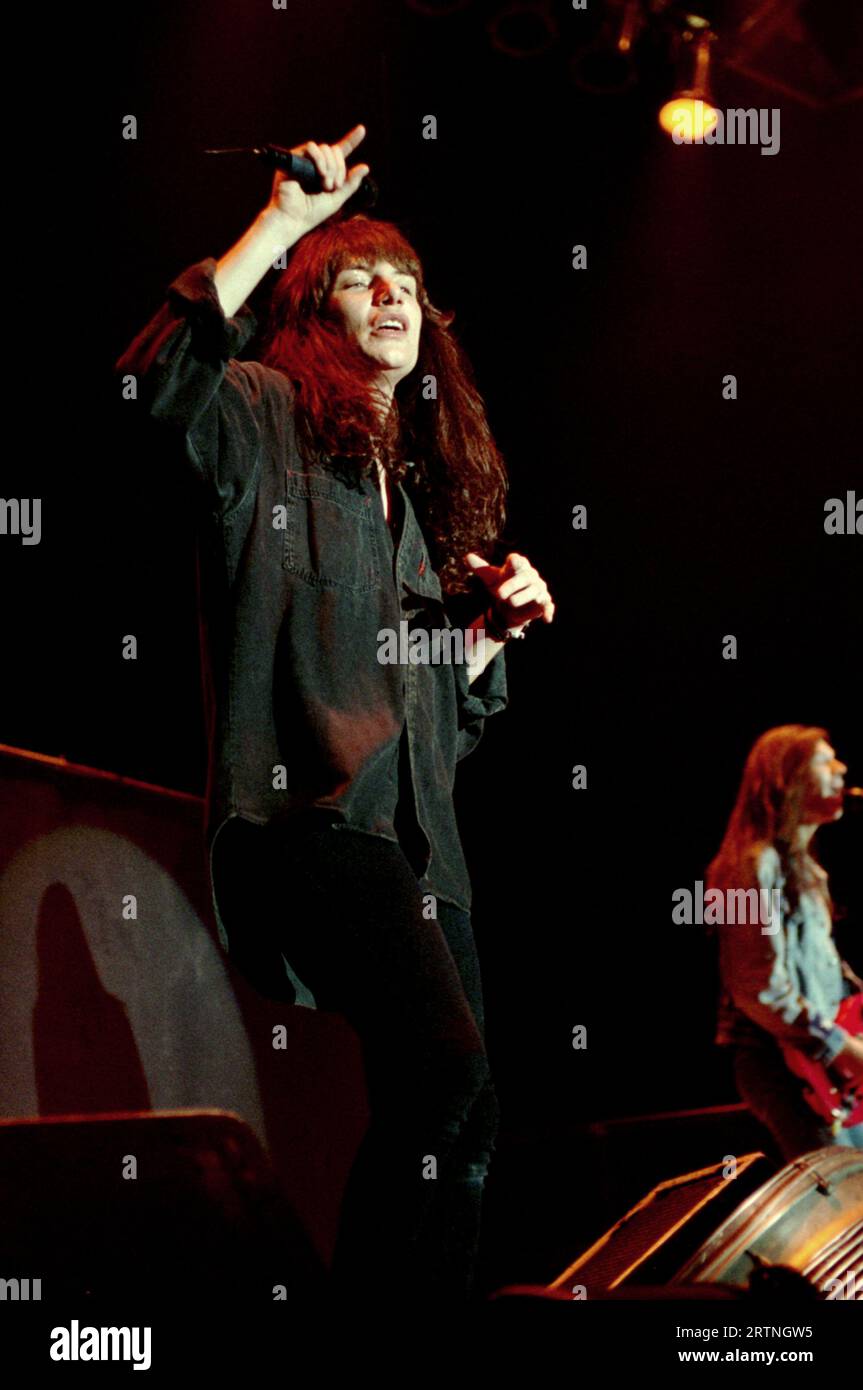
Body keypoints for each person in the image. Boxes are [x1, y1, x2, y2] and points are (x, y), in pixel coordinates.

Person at [116, 123, 555, 1313]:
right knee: (443, 1067)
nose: (393, 297)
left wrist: (483, 638)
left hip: (418, 846)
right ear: (316, 303)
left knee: (471, 1113)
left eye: (408, 283)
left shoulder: (403, 507)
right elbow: (152, 383)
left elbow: (434, 718)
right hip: (310, 820)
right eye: (363, 278)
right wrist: (282, 223)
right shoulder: (264, 419)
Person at [709, 725, 863, 1163]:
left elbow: (823, 967)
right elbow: (757, 988)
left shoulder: (804, 868)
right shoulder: (749, 866)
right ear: (786, 779)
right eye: (823, 760)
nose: (842, 768)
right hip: (783, 1064)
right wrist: (840, 1047)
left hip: (821, 1060)